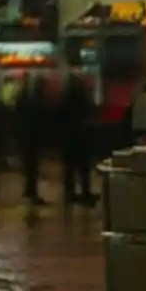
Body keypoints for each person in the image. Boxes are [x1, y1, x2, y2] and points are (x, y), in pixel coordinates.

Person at [58, 71, 96, 205]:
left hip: (68, 138)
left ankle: (70, 193)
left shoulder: (64, 97)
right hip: (81, 136)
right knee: (83, 167)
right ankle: (85, 192)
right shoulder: (82, 96)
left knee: (70, 168)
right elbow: (89, 112)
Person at [15, 76, 46, 205]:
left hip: (25, 136)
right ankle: (32, 192)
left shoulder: (24, 99)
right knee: (32, 166)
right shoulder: (37, 102)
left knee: (29, 165)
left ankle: (28, 190)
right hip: (32, 137)